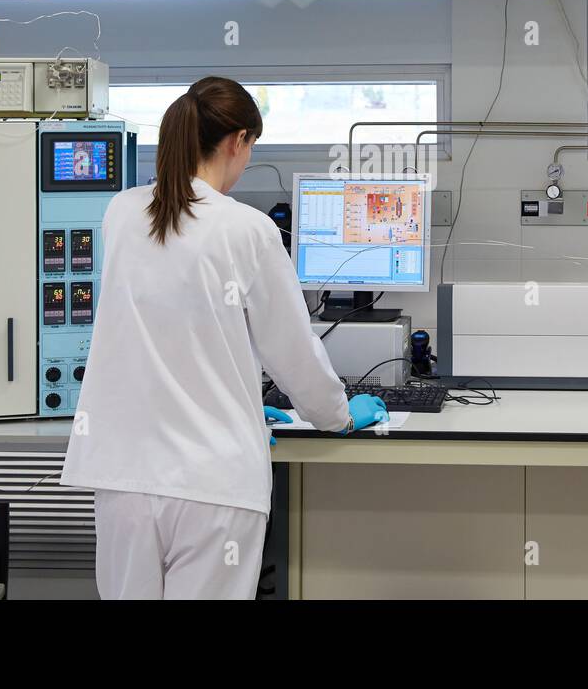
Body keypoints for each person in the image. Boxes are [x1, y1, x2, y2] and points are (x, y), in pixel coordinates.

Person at [60, 76, 388, 599]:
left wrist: (237, 404)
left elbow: (167, 333)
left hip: (123, 480)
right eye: (250, 148)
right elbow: (292, 352)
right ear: (238, 141)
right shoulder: (249, 229)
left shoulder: (121, 214)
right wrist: (340, 414)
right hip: (213, 485)